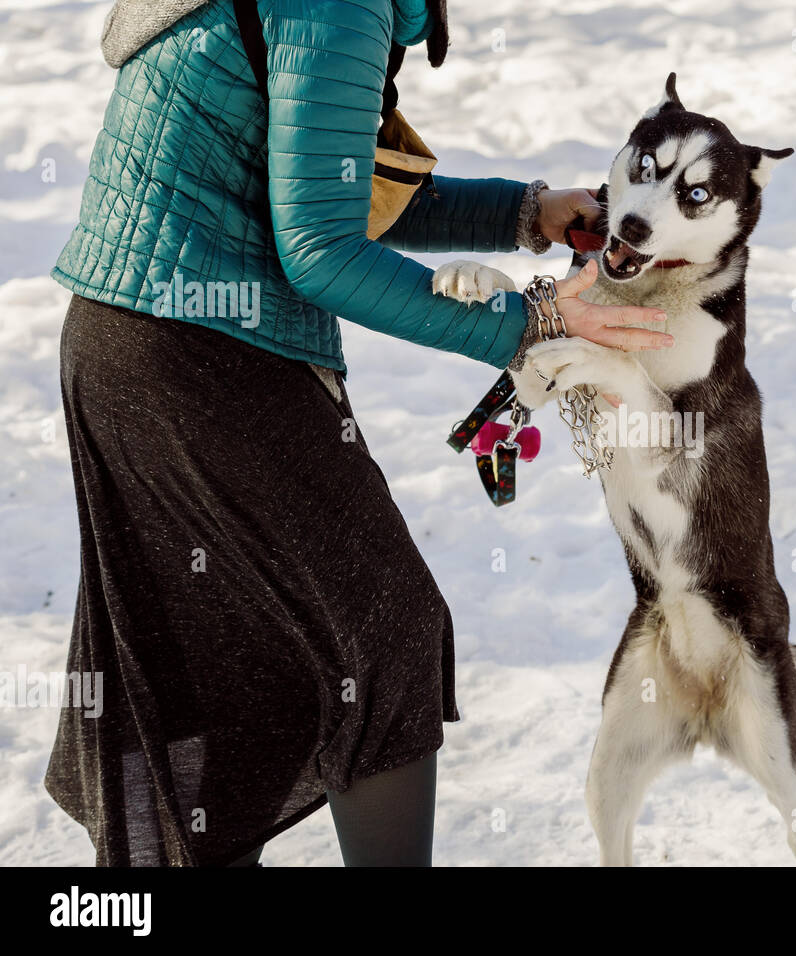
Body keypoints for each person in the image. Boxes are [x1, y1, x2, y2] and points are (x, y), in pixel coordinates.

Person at [44, 0, 671, 867]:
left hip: (132, 337)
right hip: (199, 355)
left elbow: (325, 186)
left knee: (222, 664)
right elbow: (319, 247)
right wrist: (528, 321)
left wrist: (528, 215)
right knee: (384, 637)